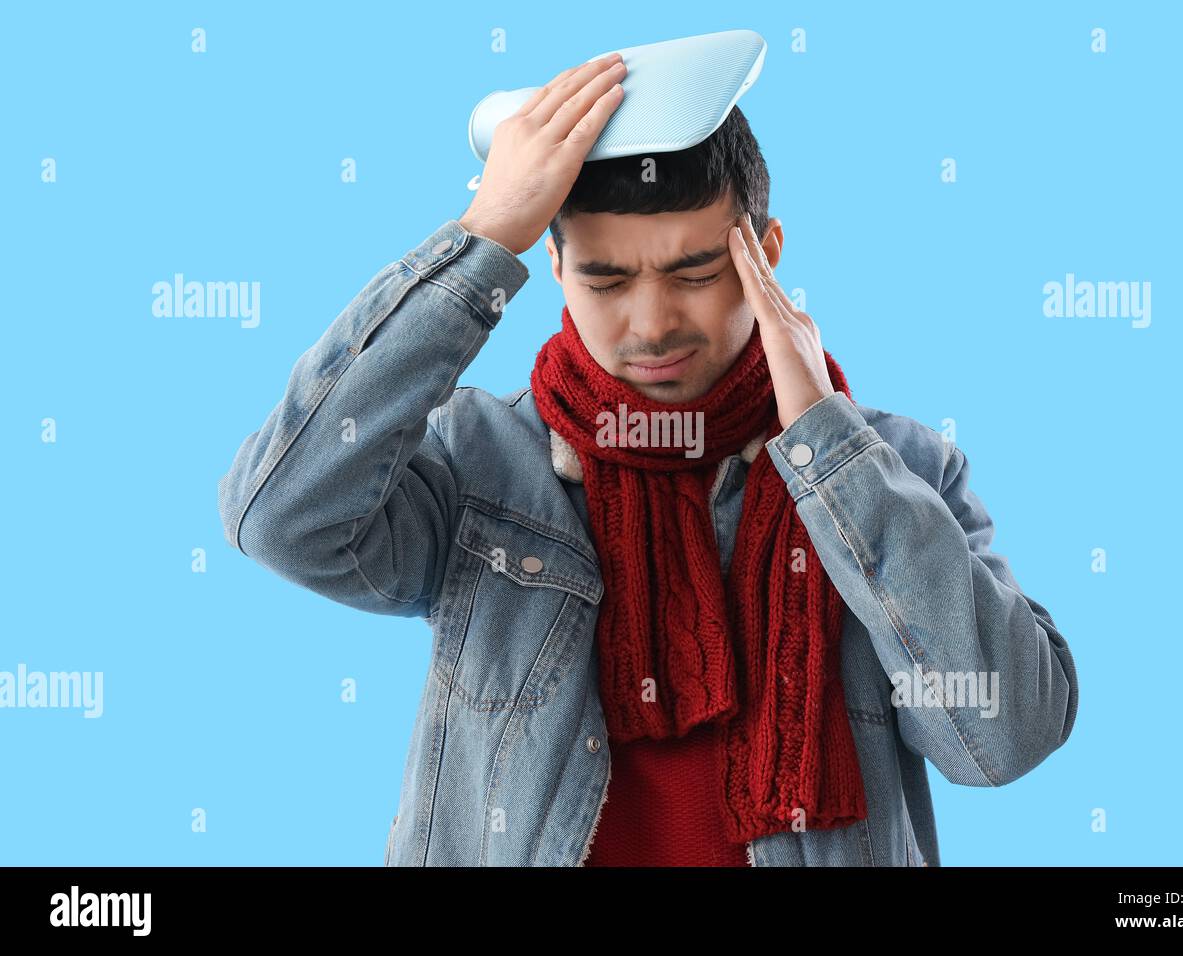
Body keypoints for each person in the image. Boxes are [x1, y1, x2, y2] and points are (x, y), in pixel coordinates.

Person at [217, 52, 1079, 867]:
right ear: (552, 264)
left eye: (696, 273)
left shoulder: (900, 469)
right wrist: (483, 239)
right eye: (607, 280)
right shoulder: (476, 461)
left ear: (766, 257)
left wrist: (826, 440)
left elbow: (1003, 740)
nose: (653, 323)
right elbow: (282, 519)